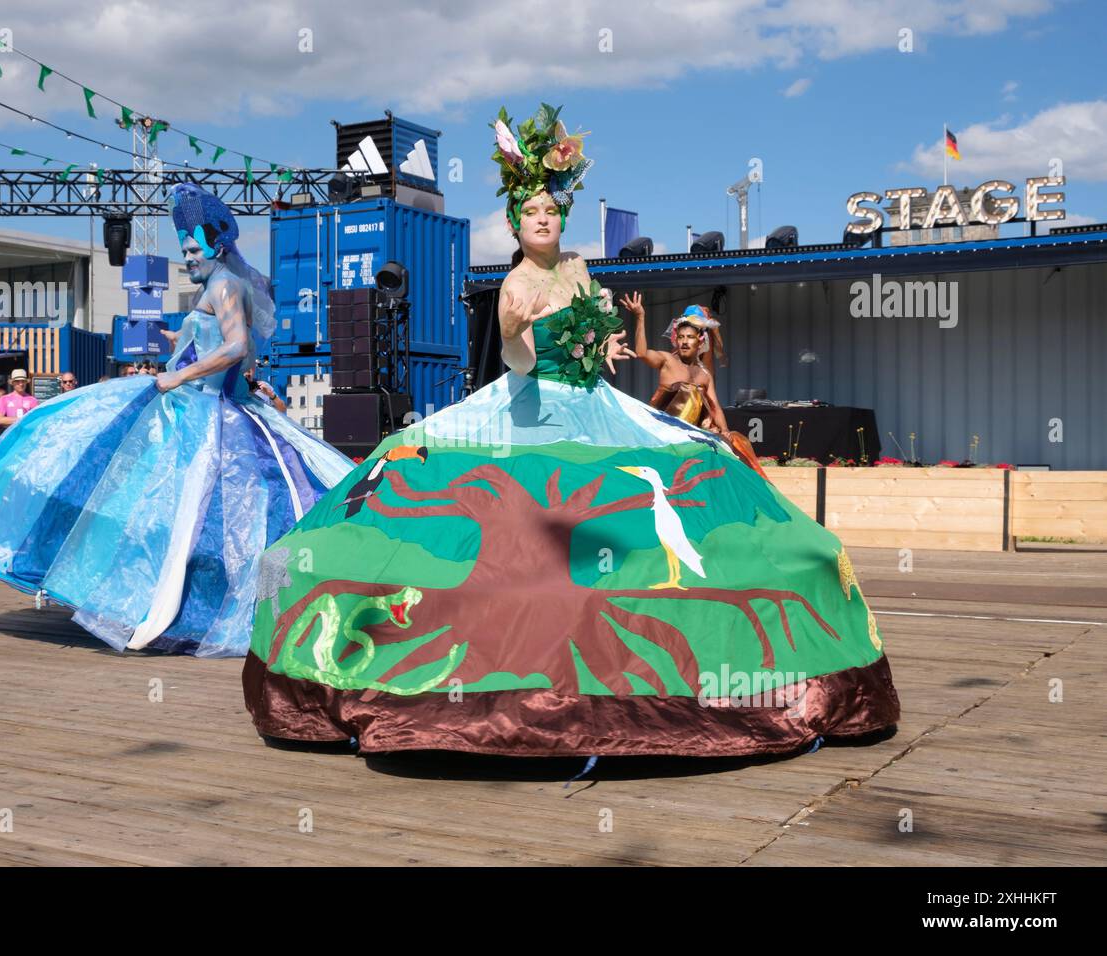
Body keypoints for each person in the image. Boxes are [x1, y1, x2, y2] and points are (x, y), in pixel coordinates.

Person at [243, 104, 900, 758]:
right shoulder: (515, 286)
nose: (543, 222)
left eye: (551, 213)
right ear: (515, 223)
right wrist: (513, 331)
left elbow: (592, 335)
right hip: (530, 403)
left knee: (701, 466)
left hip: (593, 401)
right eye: (531, 215)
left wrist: (604, 343)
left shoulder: (579, 269)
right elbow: (519, 361)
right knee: (468, 497)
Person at [0, 183, 354, 657]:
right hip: (201, 407)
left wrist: (176, 377)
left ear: (218, 247)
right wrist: (174, 336)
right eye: (184, 249)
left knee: (185, 511)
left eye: (194, 248)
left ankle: (170, 604)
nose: (188, 256)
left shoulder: (222, 284)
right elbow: (209, 339)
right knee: (166, 508)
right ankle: (153, 599)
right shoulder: (216, 284)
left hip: (207, 410)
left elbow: (237, 346)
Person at [625, 298, 769, 478]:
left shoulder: (704, 374)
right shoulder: (667, 361)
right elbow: (641, 353)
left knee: (734, 443)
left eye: (690, 337)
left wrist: (725, 434)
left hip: (690, 437)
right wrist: (640, 316)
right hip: (661, 433)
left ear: (700, 341)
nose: (685, 342)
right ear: (675, 339)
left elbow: (715, 407)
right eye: (681, 337)